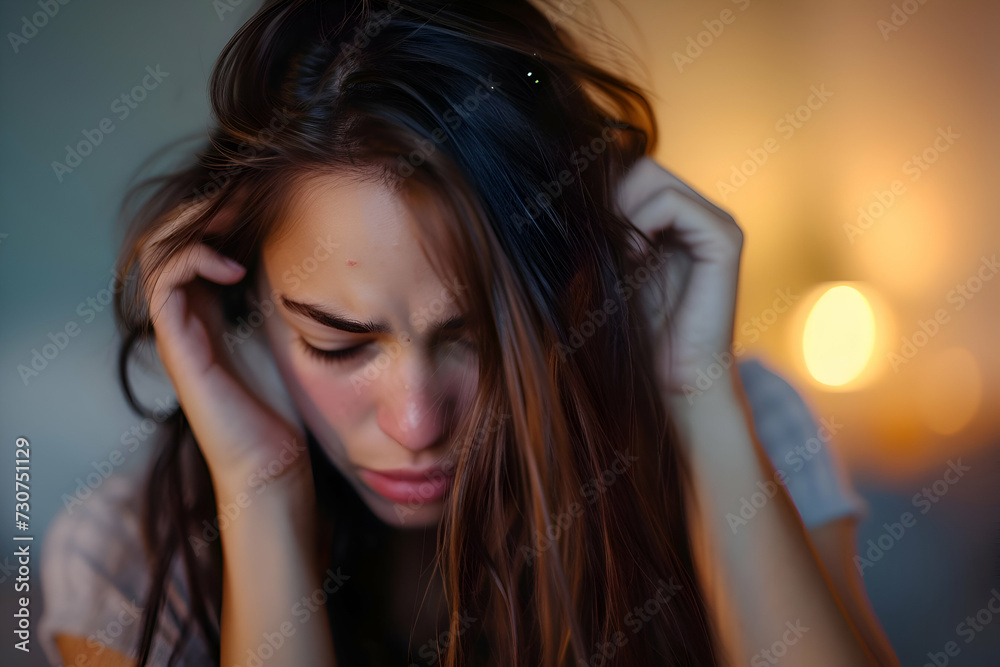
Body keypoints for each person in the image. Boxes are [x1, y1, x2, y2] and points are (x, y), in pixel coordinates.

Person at [38, 0, 899, 665]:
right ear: (244, 306)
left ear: (569, 290)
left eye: (476, 336)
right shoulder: (128, 559)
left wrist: (697, 397)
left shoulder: (746, 421)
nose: (417, 423)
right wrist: (263, 489)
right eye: (338, 343)